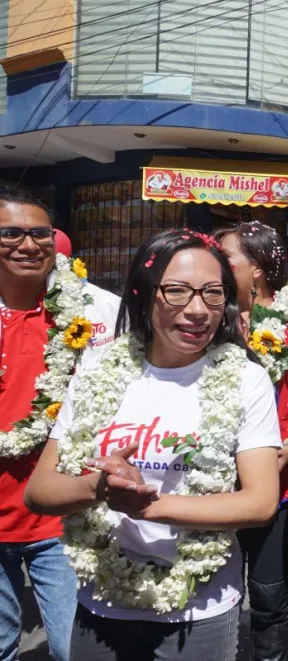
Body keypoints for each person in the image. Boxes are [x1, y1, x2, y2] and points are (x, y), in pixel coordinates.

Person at [24, 229, 282, 661]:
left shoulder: (244, 378)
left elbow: (259, 503)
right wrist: (99, 490)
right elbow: (40, 492)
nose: (198, 310)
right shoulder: (97, 370)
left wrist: (146, 505)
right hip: (100, 604)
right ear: (145, 295)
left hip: (199, 611)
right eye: (177, 291)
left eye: (213, 293)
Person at [0, 187, 119, 661]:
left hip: (63, 519)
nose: (28, 245)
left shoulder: (98, 311)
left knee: (76, 650)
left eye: (40, 233)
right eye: (10, 233)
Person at [216, 222, 288, 661]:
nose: (219, 266)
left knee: (268, 592)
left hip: (280, 483)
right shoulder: (210, 320)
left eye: (228, 258)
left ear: (259, 269)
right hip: (214, 486)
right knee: (211, 591)